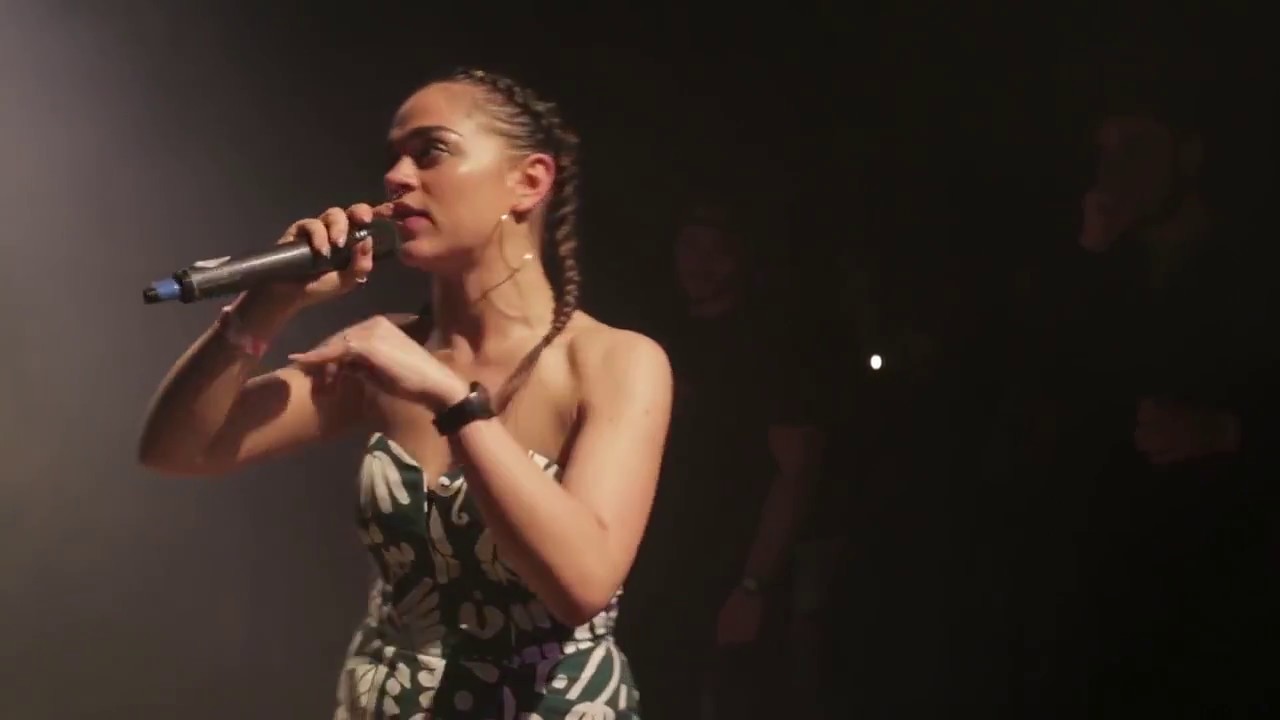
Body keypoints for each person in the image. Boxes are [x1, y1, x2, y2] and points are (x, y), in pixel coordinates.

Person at [137, 67, 672, 719]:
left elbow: (582, 584)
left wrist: (450, 398)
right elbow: (178, 450)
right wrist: (267, 304)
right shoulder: (387, 348)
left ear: (529, 181)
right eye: (392, 158)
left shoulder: (614, 361)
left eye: (431, 151)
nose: (395, 177)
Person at [616, 203, 823, 719]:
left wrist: (753, 587)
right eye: (690, 246)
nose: (701, 263)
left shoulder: (770, 346)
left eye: (718, 251)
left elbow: (796, 471)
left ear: (741, 257)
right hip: (655, 576)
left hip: (728, 576)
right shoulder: (659, 338)